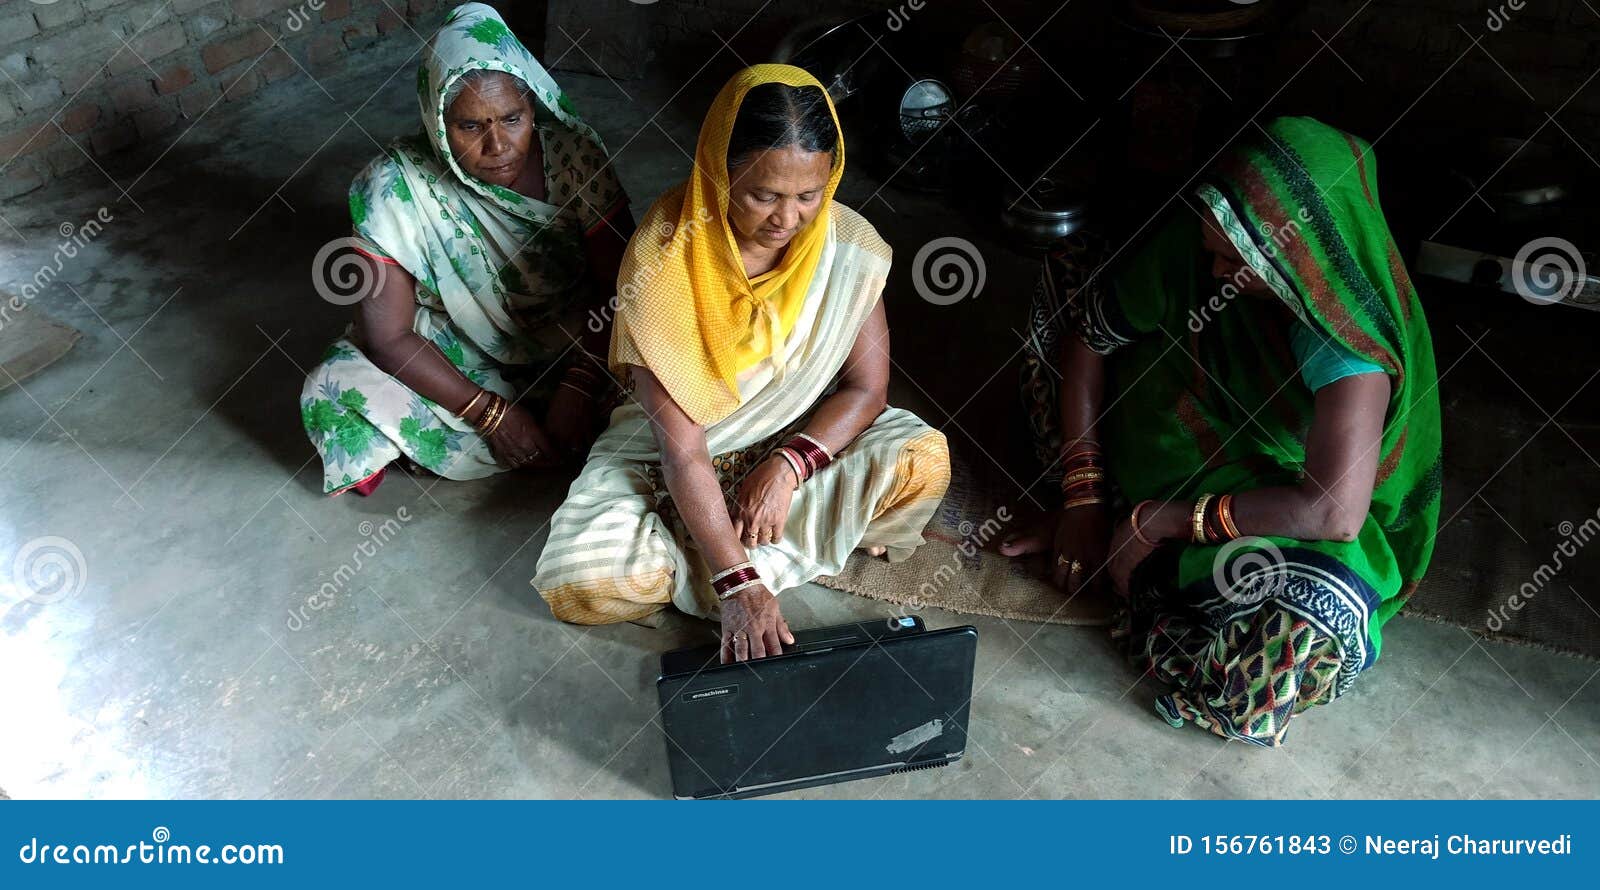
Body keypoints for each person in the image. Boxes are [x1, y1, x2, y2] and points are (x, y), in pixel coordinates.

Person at [1005, 116, 1442, 745]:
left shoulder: (1353, 349)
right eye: (1213, 250)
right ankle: (1140, 558)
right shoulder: (1191, 247)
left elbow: (1332, 514)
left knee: (1316, 603)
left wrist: (1168, 521)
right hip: (1156, 429)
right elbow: (1090, 341)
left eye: (1234, 262)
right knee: (1065, 285)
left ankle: (1154, 576)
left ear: (1296, 259)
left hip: (1276, 495)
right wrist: (1083, 496)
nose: (1214, 273)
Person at [533, 65, 950, 662]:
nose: (788, 219)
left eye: (809, 196)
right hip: (669, 458)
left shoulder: (848, 247)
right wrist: (737, 583)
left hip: (793, 436)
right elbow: (683, 451)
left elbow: (866, 389)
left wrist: (787, 467)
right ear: (717, 174)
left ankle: (719, 543)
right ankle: (745, 549)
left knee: (922, 458)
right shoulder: (665, 258)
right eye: (763, 195)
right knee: (580, 579)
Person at [300, 3, 632, 496]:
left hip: (572, 336)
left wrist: (582, 381)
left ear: (532, 105)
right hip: (456, 352)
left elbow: (626, 288)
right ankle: (520, 432)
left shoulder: (573, 157)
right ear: (437, 121)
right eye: (471, 127)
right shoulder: (393, 189)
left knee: (665, 369)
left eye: (513, 118)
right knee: (333, 384)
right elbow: (388, 337)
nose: (498, 145)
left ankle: (536, 425)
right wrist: (491, 414)